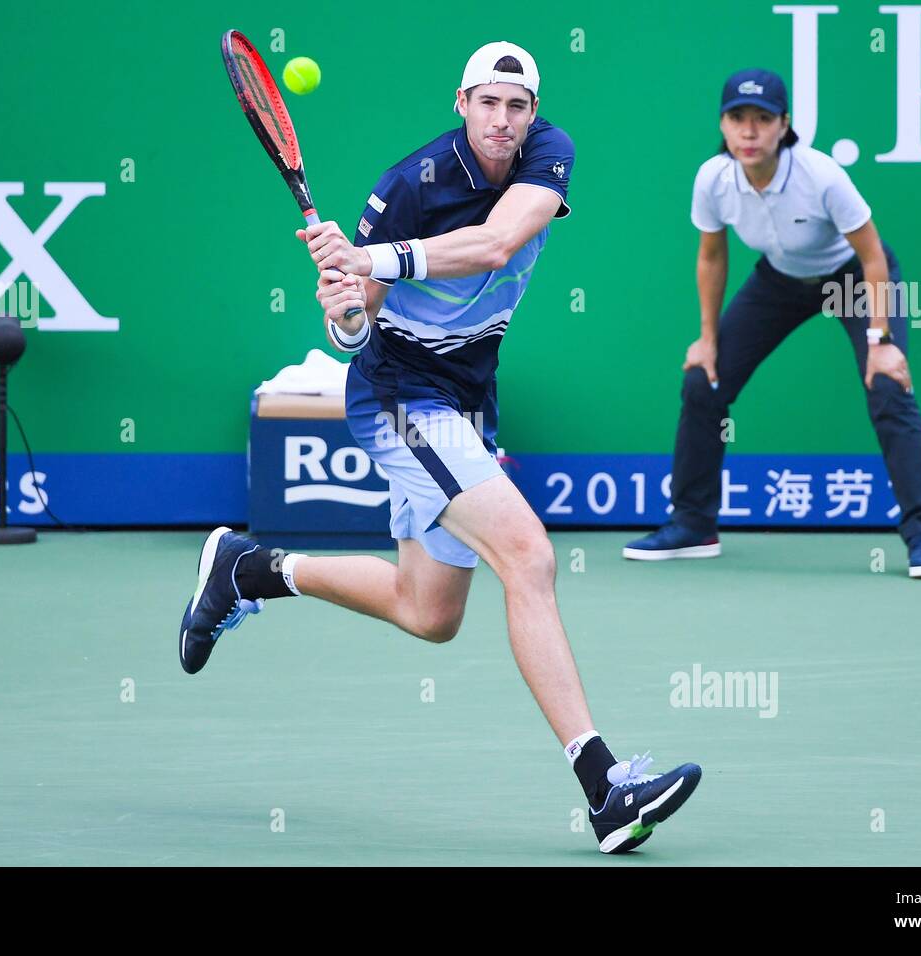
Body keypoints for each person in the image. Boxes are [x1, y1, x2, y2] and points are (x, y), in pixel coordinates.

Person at [179, 41, 701, 853]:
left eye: (516, 105)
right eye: (487, 102)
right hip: (399, 399)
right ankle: (605, 789)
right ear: (461, 103)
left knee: (428, 613)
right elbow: (354, 335)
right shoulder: (406, 189)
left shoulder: (548, 153)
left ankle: (251, 571)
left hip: (467, 401)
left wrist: (372, 260)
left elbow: (496, 242)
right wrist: (347, 304)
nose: (502, 119)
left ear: (532, 113)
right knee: (528, 557)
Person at [623, 69, 921, 579]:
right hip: (779, 280)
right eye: (737, 118)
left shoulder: (821, 175)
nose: (749, 131)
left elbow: (873, 257)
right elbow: (711, 256)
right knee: (703, 381)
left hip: (851, 277)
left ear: (784, 124)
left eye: (763, 118)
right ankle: (693, 524)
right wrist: (707, 338)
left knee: (888, 385)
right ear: (723, 124)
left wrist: (882, 340)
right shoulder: (713, 179)